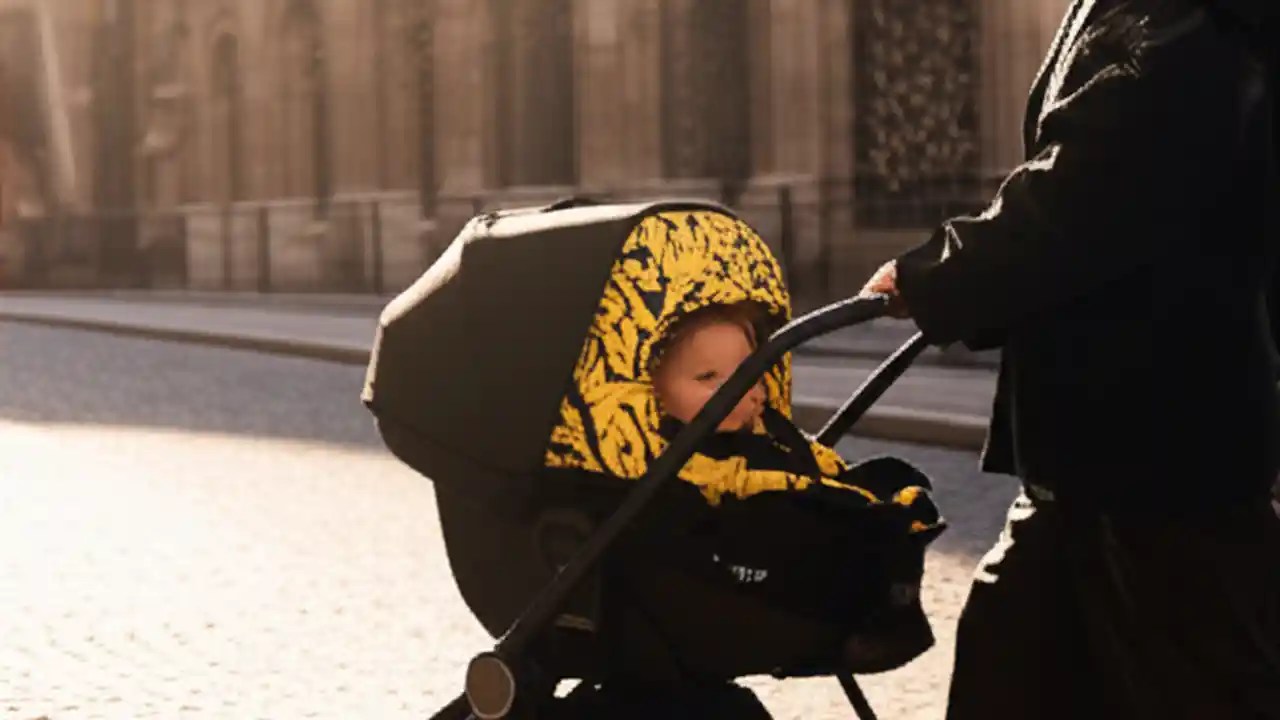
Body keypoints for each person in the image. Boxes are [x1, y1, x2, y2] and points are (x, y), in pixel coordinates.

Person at [860, 0, 1280, 717]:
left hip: (1163, 461)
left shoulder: (1195, 22)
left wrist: (943, 274)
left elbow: (1101, 176)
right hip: (1091, 462)